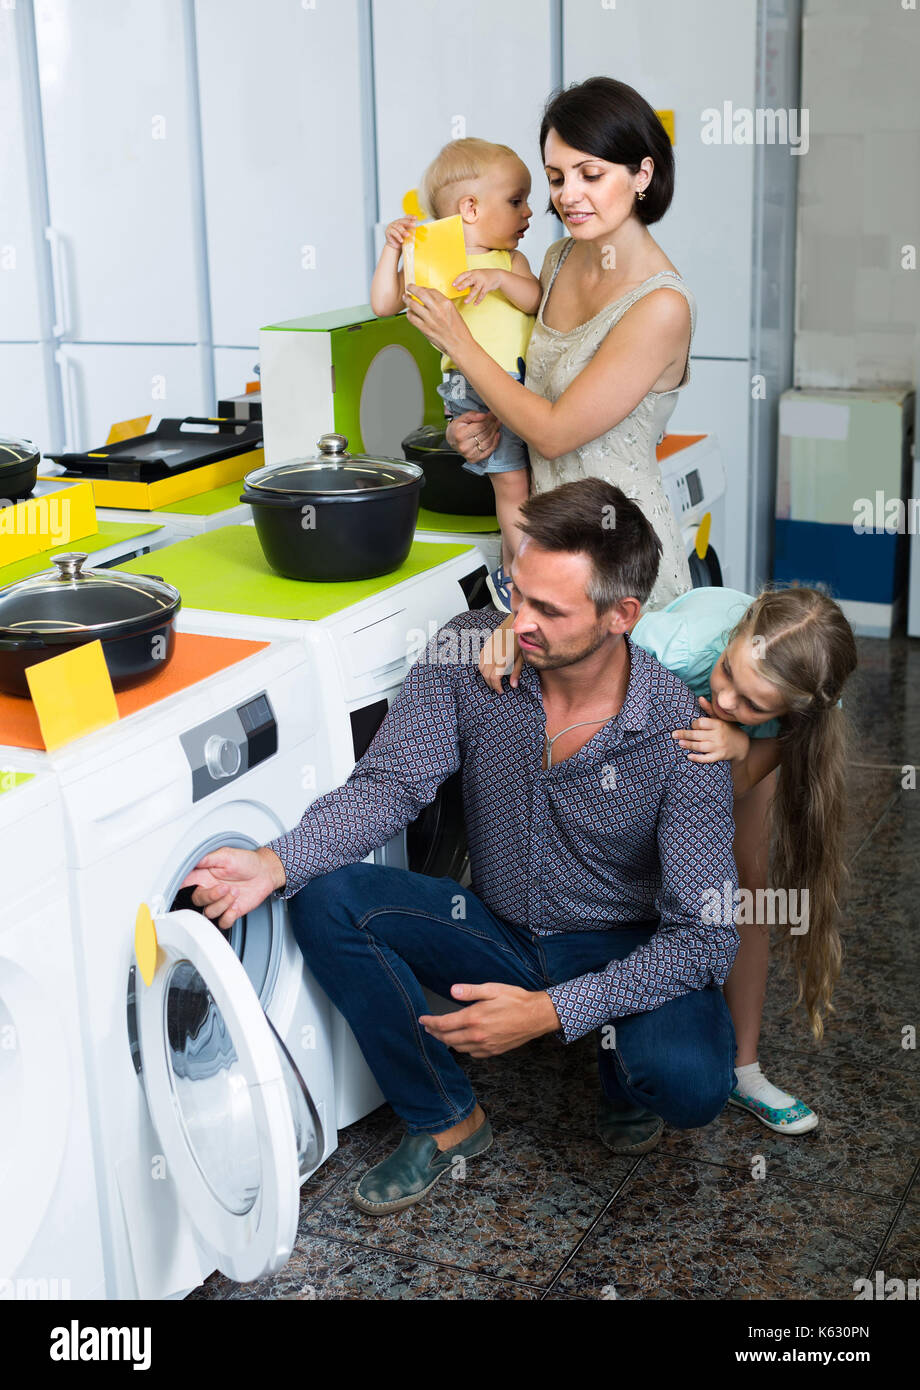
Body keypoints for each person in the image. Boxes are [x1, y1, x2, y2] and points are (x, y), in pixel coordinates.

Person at [183, 478, 740, 1216]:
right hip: (496, 925)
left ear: (621, 616)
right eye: (517, 593)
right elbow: (391, 784)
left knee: (690, 1080)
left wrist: (548, 1013)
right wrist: (276, 860)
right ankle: (446, 1121)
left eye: (549, 609)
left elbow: (706, 940)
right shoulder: (469, 652)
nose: (518, 620)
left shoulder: (680, 733)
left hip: (619, 944)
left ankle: (620, 1069)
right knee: (323, 895)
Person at [480, 584, 858, 1135]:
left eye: (753, 703)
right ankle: (633, 1025)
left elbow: (742, 776)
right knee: (649, 870)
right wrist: (515, 631)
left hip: (737, 753)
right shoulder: (668, 646)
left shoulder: (805, 694)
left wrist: (745, 745)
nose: (728, 701)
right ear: (730, 642)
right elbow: (583, 636)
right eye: (729, 675)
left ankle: (742, 1068)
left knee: (741, 888)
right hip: (648, 732)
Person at [404, 76, 696, 613]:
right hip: (548, 555)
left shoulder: (661, 306)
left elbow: (557, 432)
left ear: (642, 175)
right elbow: (532, 391)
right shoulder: (559, 259)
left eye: (591, 174)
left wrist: (458, 341)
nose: (568, 196)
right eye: (557, 178)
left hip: (619, 563)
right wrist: (487, 422)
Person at [371, 137, 541, 577]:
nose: (529, 212)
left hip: (520, 383)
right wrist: (392, 249)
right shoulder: (431, 261)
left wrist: (499, 278)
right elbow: (385, 305)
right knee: (513, 485)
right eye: (517, 200)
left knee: (530, 486)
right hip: (471, 388)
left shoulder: (511, 260)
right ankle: (518, 575)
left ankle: (519, 571)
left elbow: (534, 300)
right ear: (470, 208)